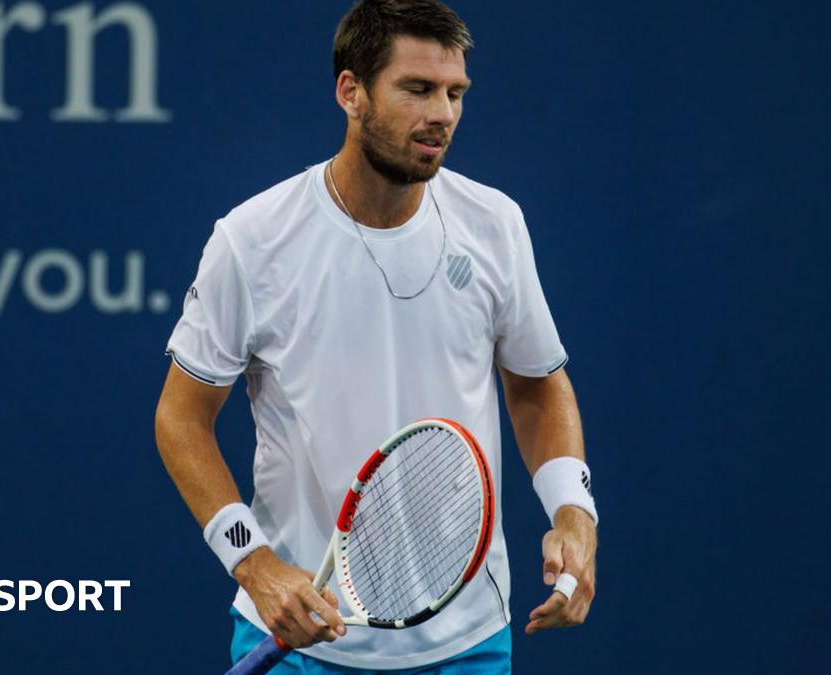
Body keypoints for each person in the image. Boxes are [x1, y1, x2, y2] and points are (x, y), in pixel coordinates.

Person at [154, 1, 598, 671]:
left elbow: (537, 383)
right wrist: (254, 562)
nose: (443, 113)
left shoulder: (496, 225)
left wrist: (573, 509)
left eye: (455, 93)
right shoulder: (252, 241)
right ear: (351, 92)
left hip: (467, 643)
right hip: (299, 643)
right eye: (417, 89)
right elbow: (181, 417)